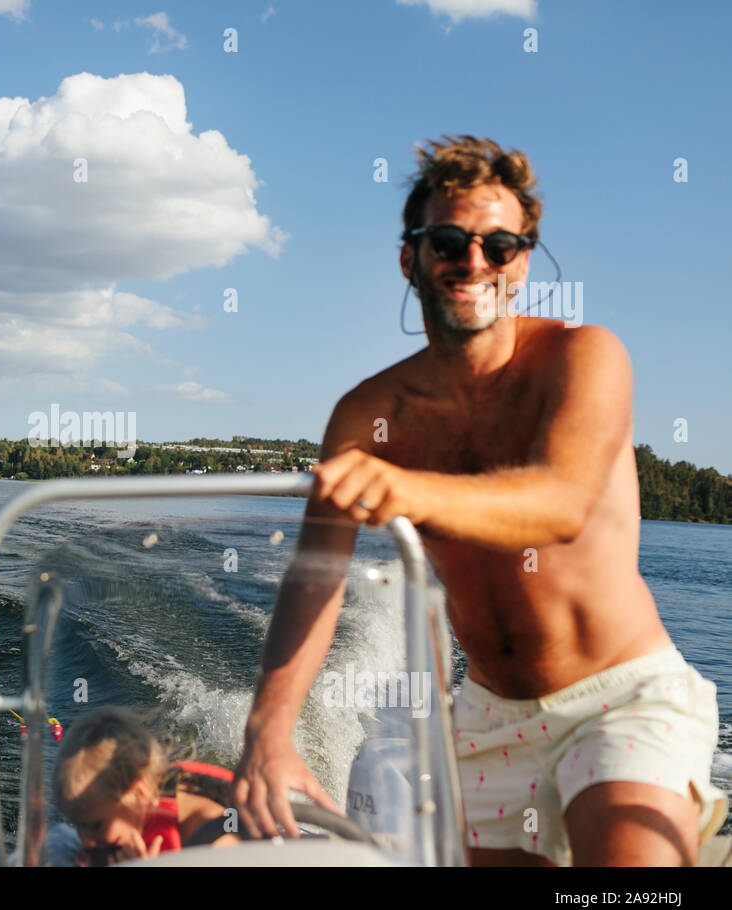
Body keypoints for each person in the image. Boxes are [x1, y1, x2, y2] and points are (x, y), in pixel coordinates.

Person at [234, 136, 725, 866]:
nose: (474, 263)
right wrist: (267, 735)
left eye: (499, 245)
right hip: (490, 719)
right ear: (411, 258)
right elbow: (316, 580)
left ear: (523, 263)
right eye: (449, 242)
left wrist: (407, 488)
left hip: (622, 697)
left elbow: (560, 504)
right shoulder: (369, 413)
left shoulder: (583, 358)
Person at [55, 707, 239, 866]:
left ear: (140, 794)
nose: (85, 842)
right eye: (77, 824)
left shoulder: (215, 842)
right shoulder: (142, 802)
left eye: (95, 826)